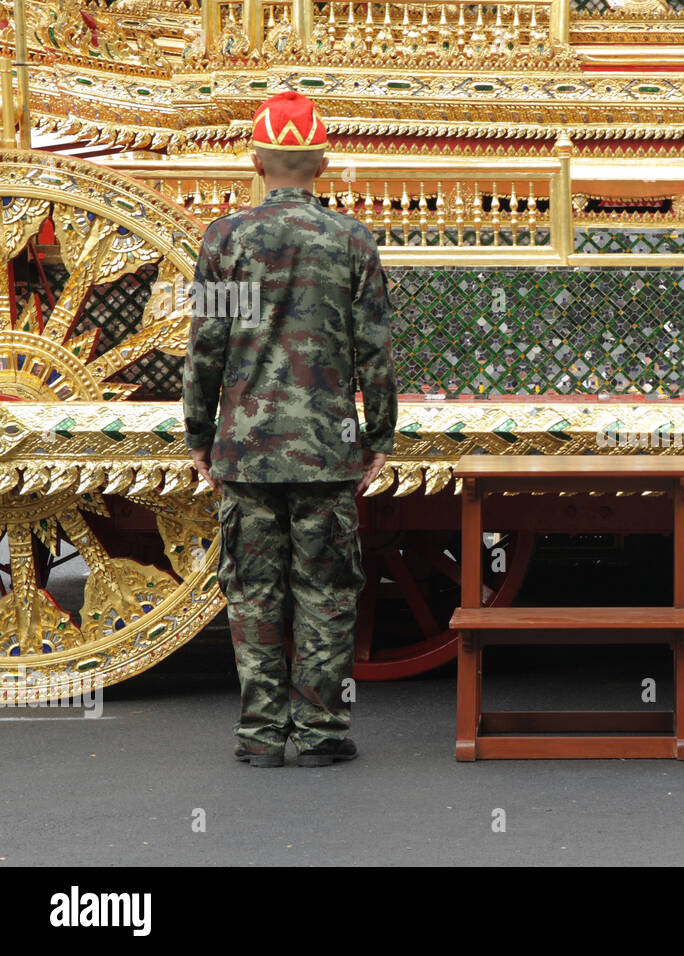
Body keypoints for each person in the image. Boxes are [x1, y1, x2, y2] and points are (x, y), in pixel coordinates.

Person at [182, 90, 398, 768]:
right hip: (328, 449)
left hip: (245, 450)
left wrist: (198, 435)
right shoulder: (352, 240)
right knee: (327, 590)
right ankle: (322, 733)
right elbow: (375, 351)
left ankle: (260, 734)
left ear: (256, 159)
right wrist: (381, 436)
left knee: (251, 590)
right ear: (322, 162)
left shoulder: (225, 239)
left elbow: (206, 347)